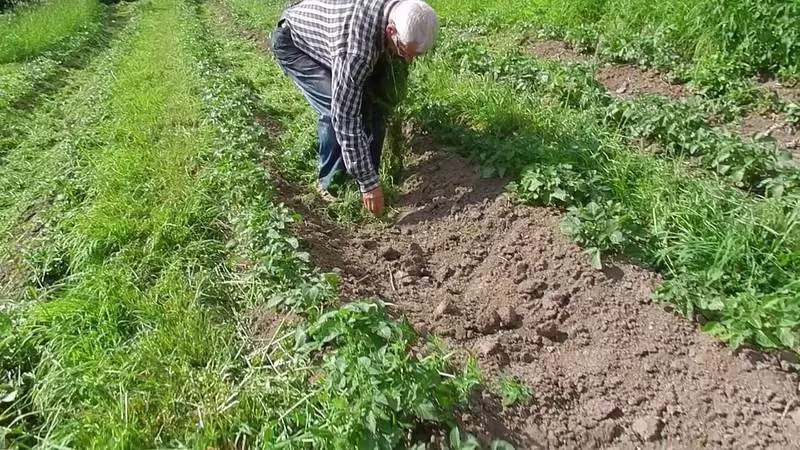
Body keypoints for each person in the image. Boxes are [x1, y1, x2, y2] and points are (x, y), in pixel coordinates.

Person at [271, 0, 439, 216]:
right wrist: (369, 186)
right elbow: (345, 118)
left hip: (333, 33)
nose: (406, 60)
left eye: (414, 55)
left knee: (374, 102)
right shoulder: (356, 53)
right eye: (403, 51)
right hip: (295, 42)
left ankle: (367, 171)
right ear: (390, 30)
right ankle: (331, 183)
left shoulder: (402, 13)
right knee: (334, 108)